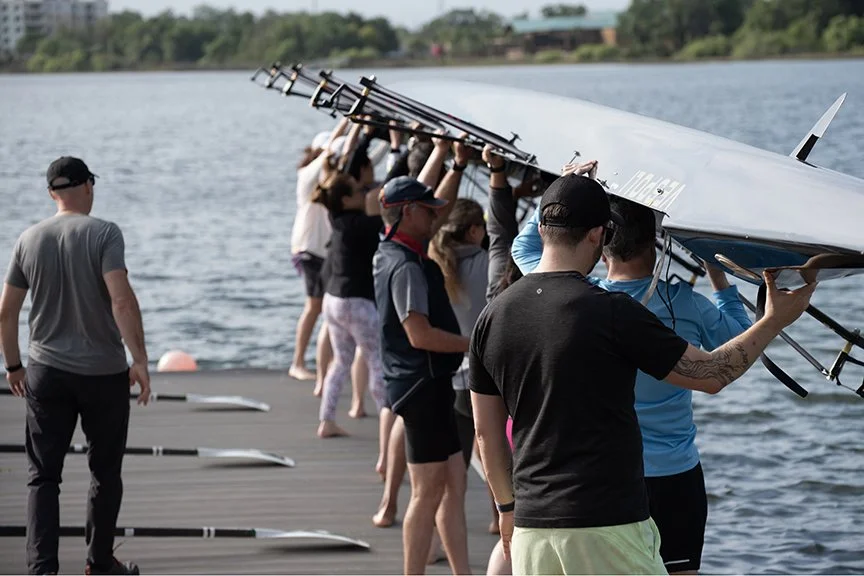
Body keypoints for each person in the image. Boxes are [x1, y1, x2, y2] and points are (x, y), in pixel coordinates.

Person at [469, 172, 817, 576]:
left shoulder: (493, 317)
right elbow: (712, 374)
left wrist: (506, 507)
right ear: (598, 235)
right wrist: (773, 320)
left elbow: (485, 434)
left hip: (532, 525)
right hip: (607, 524)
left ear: (544, 227)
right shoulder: (613, 311)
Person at [510, 163, 752, 574]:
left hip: (608, 480)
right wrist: (718, 274)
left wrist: (562, 195)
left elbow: (526, 250)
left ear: (602, 243)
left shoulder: (584, 303)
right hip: (675, 475)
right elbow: (739, 343)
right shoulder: (685, 305)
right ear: (655, 244)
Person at [0, 157, 151, 576]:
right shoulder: (104, 232)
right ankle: (99, 562)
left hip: (46, 370)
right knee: (105, 471)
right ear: (88, 186)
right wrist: (139, 360)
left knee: (43, 476)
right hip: (102, 372)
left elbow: (5, 312)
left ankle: (42, 569)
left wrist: (13, 365)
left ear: (52, 193)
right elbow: (121, 300)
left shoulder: (28, 239)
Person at [372, 133, 472, 575]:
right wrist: (475, 344)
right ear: (407, 212)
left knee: (455, 482)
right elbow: (420, 335)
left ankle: (462, 572)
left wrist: (453, 162)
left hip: (430, 384)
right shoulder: (406, 266)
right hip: (421, 385)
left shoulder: (390, 245)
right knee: (427, 491)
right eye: (427, 209)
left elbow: (429, 198)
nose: (438, 214)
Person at [289, 123, 345, 382]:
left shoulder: (330, 178)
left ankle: (330, 364)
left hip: (324, 251)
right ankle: (297, 362)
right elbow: (327, 154)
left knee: (326, 308)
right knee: (314, 306)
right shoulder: (308, 175)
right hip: (309, 249)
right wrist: (348, 121)